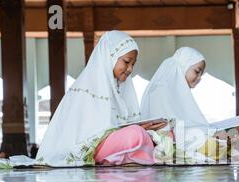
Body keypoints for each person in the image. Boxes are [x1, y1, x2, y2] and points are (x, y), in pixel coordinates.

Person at [35, 30, 165, 167]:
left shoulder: (120, 90)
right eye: (127, 62)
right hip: (93, 149)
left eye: (133, 64)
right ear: (110, 57)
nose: (130, 69)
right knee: (136, 135)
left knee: (149, 135)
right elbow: (93, 136)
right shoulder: (87, 87)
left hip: (112, 144)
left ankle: (124, 156)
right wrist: (136, 129)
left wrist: (142, 127)